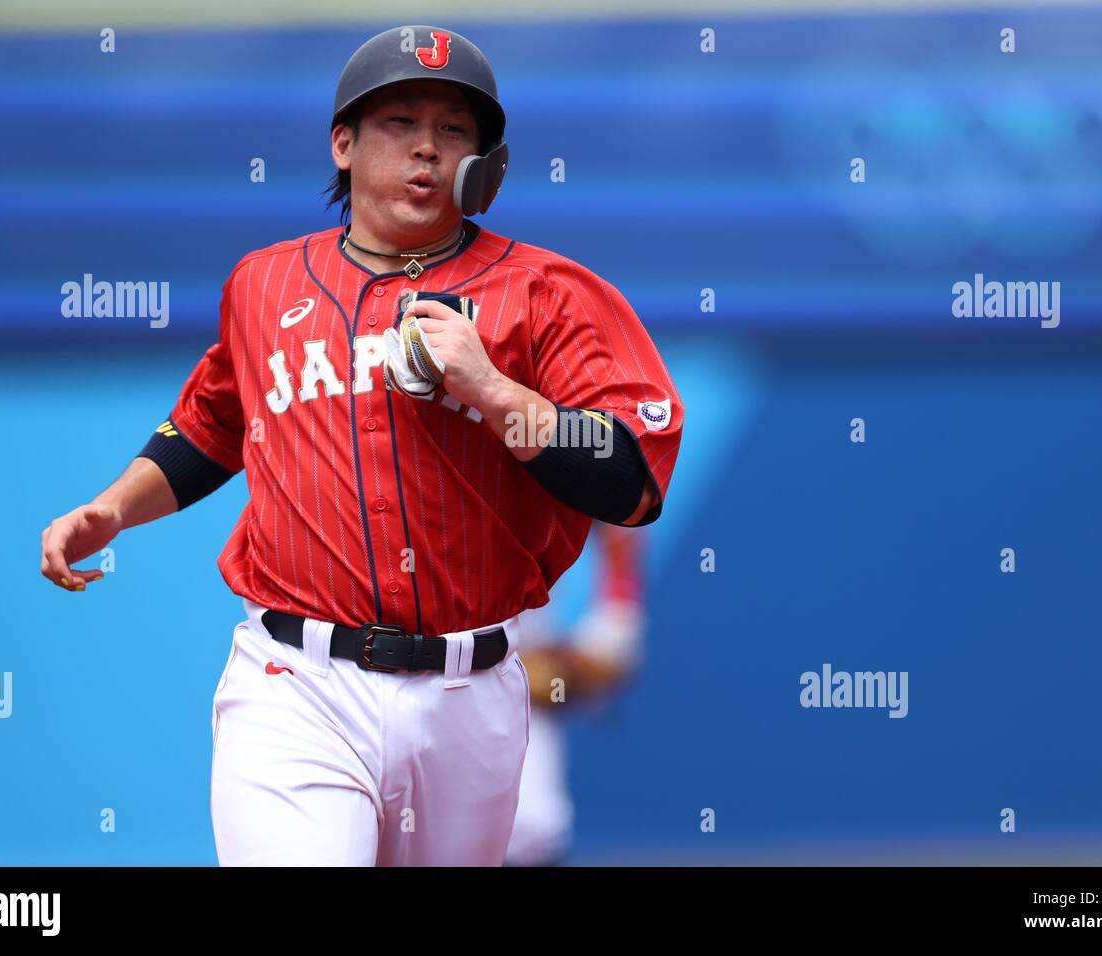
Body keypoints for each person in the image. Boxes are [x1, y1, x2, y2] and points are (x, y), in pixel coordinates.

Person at [38, 24, 683, 866]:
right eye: (398, 123)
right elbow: (213, 424)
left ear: (485, 164)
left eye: (454, 130)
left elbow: (631, 480)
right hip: (295, 681)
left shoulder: (549, 295)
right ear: (342, 144)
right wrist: (114, 508)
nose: (425, 148)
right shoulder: (263, 284)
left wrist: (493, 390)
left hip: (473, 689)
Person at [505, 522, 647, 867]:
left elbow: (619, 510)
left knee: (533, 828)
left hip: (519, 662)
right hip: (401, 667)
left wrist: (617, 624)